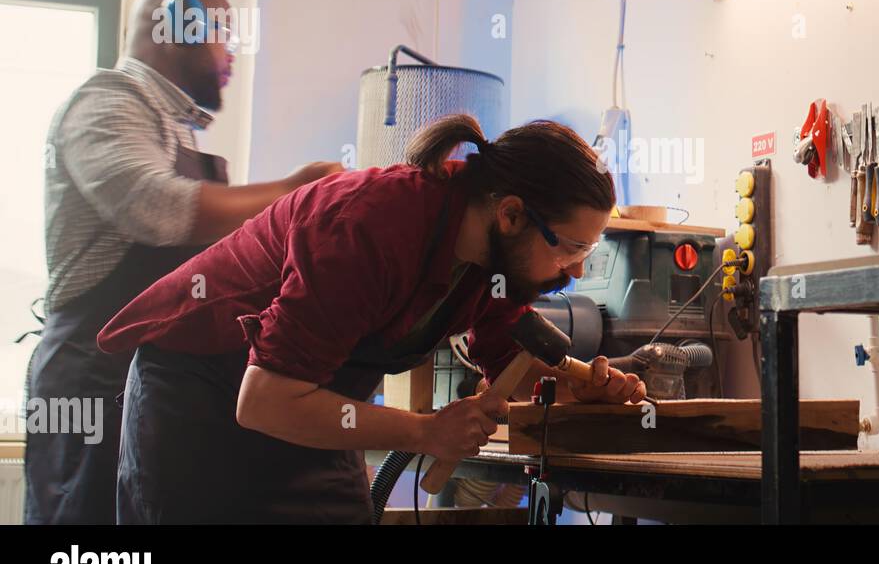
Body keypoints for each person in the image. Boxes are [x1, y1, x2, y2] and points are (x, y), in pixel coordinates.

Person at [98, 113, 644, 524]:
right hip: (204, 407)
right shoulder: (368, 228)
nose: (573, 273)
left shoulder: (495, 262)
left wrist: (579, 396)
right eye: (571, 247)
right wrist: (428, 431)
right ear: (511, 215)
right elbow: (263, 399)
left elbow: (511, 368)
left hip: (313, 408)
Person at [25, 0, 341, 524]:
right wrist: (291, 191)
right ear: (175, 28)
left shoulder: (171, 129)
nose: (233, 55)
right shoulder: (105, 103)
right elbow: (156, 207)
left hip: (137, 380)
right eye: (223, 35)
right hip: (87, 382)